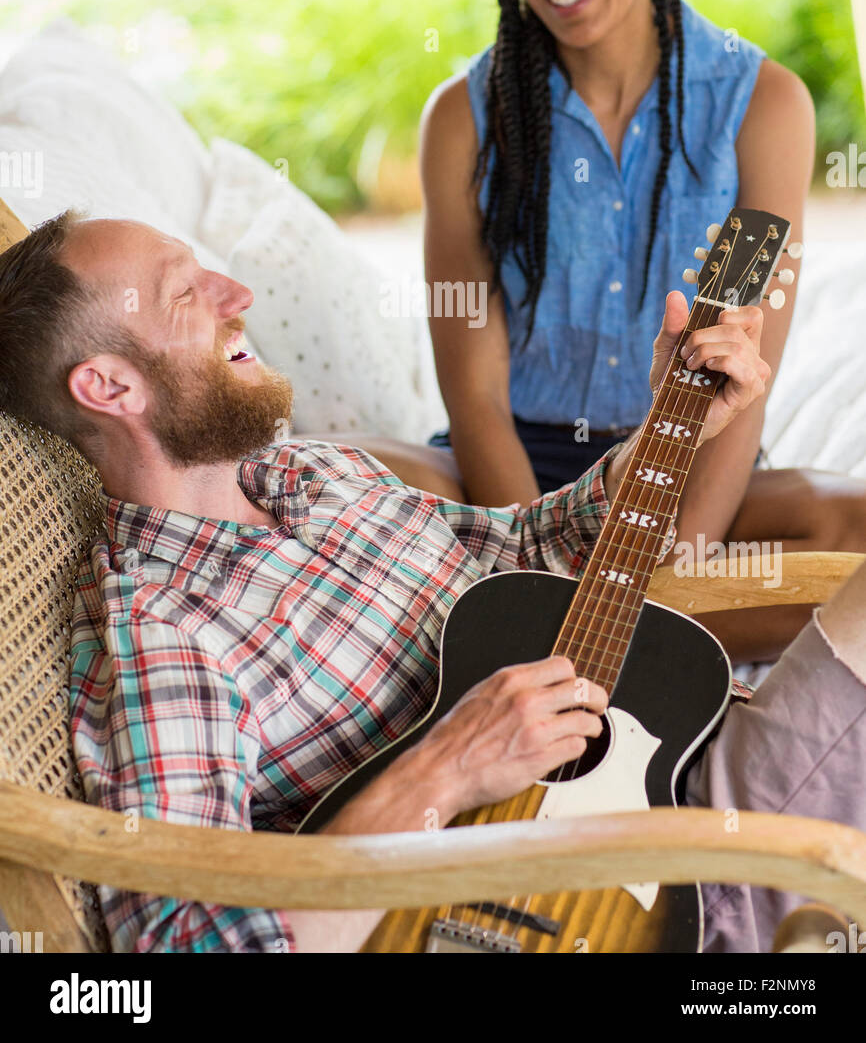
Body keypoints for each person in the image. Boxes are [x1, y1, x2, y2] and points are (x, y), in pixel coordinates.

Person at [0, 209, 864, 954]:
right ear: (108, 386)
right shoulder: (162, 636)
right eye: (187, 293)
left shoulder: (315, 474)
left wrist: (672, 430)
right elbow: (189, 942)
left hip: (691, 779)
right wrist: (447, 767)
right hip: (592, 902)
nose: (239, 295)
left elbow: (528, 551)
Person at [372, 0, 864, 561]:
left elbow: (737, 343)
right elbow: (472, 392)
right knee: (345, 480)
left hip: (687, 458)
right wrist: (532, 557)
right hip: (510, 472)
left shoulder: (762, 106)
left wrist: (665, 572)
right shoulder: (462, 119)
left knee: (853, 521)